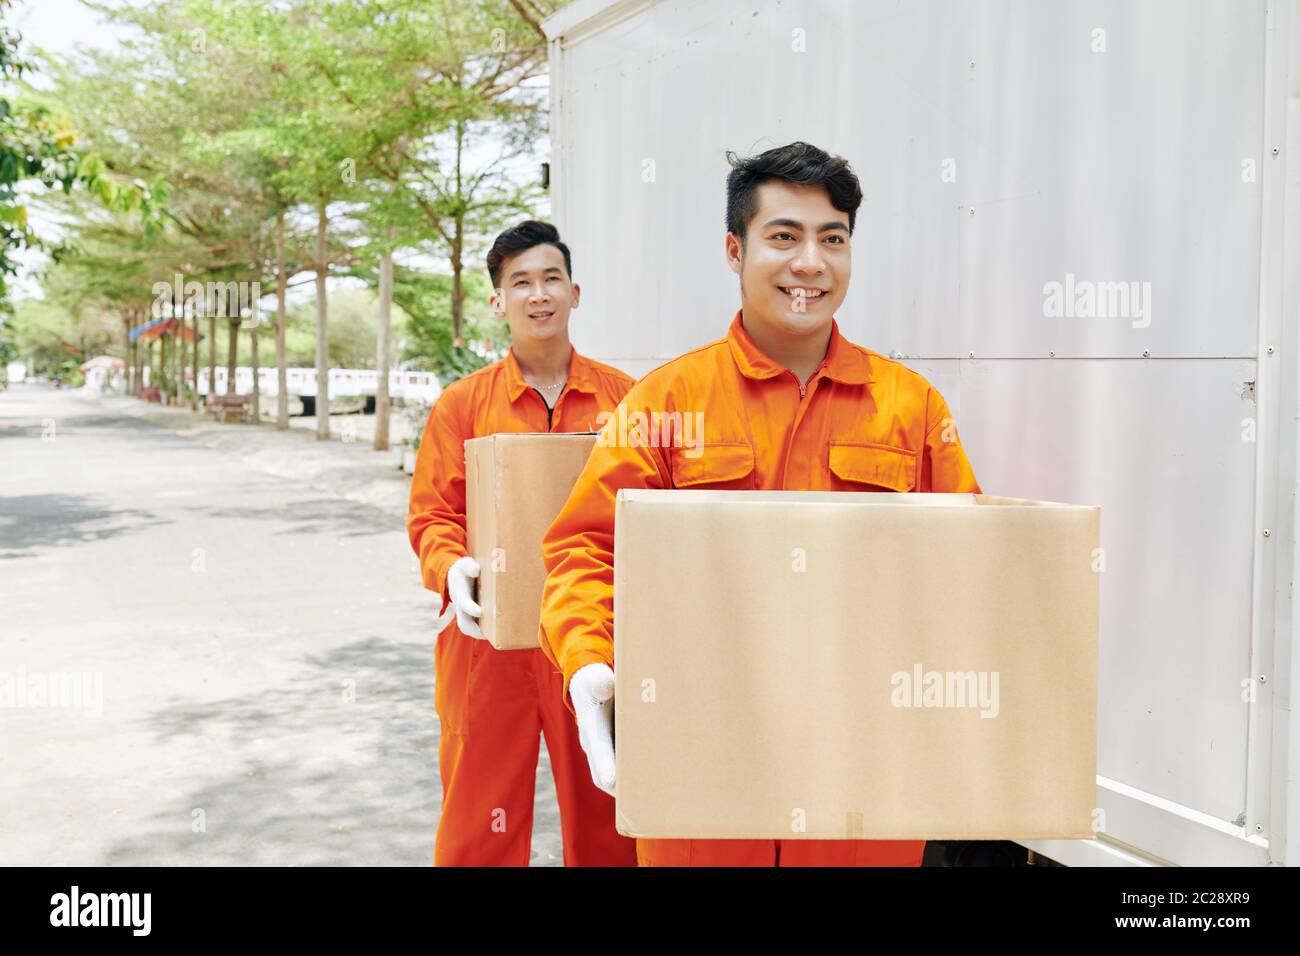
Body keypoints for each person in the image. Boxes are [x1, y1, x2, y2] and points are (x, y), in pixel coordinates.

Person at [538, 142, 982, 867]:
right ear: (734, 250)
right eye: (783, 236)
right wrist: (589, 662)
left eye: (832, 239)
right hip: (702, 766)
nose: (811, 263)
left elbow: (964, 564)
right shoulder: (668, 402)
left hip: (862, 775)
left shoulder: (909, 405)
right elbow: (586, 549)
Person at [407, 220, 638, 866]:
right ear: (497, 301)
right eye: (521, 283)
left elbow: (650, 513)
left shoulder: (626, 402)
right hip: (489, 644)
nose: (539, 295)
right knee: (480, 818)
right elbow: (432, 516)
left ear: (576, 292)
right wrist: (451, 569)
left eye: (551, 280)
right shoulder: (462, 405)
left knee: (609, 815)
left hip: (590, 639)